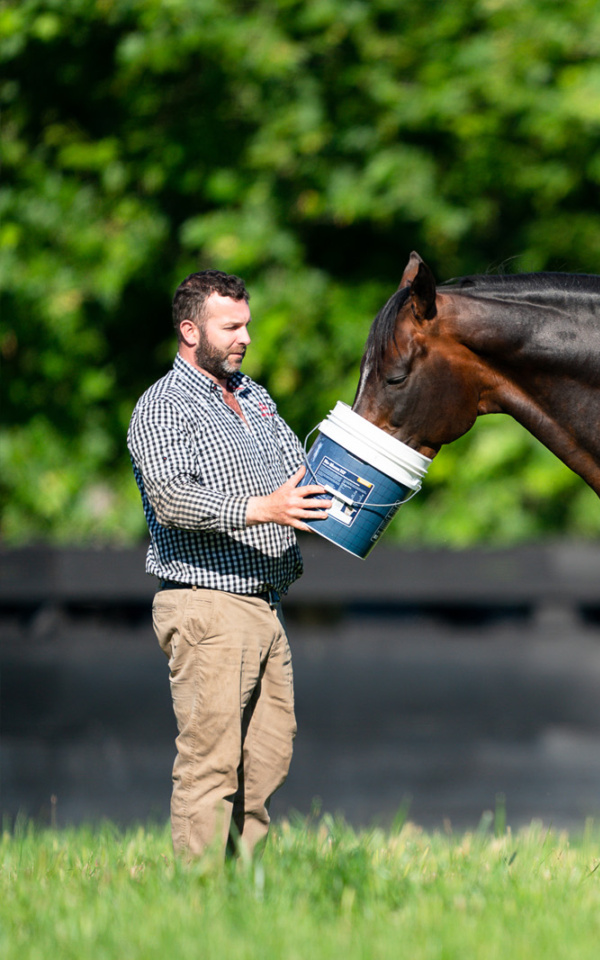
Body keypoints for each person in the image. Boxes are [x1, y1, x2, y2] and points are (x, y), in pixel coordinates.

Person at [127, 269, 331, 863]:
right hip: (207, 602)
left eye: (248, 324)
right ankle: (197, 906)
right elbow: (170, 497)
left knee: (266, 761)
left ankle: (244, 896)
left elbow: (300, 475)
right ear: (191, 330)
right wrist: (262, 508)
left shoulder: (256, 397)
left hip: (266, 603)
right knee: (210, 764)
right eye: (231, 326)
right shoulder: (163, 405)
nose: (245, 337)